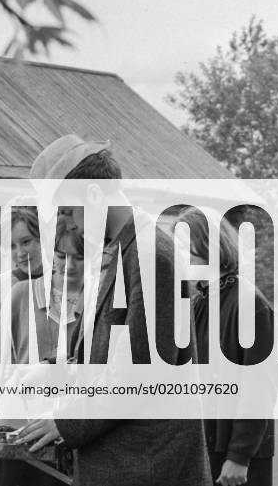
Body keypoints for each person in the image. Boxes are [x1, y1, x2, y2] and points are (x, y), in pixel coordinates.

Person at [17, 134, 212, 486]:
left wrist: (65, 423)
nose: (69, 224)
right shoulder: (124, 250)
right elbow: (110, 352)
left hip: (146, 467)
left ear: (94, 194)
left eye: (68, 210)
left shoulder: (150, 253)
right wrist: (58, 370)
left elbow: (138, 374)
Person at [175, 207, 275, 486]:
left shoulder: (249, 303)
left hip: (237, 460)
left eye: (184, 246)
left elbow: (258, 388)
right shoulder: (201, 301)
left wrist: (239, 456)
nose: (178, 256)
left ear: (209, 245)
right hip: (208, 447)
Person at [0, 215, 80, 486]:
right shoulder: (19, 294)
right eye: (62, 255)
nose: (70, 264)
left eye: (80, 256)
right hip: (21, 437)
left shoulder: (98, 301)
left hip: (72, 438)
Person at [0, 208, 44, 362]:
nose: (20, 253)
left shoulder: (64, 282)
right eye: (11, 246)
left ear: (42, 238)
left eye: (26, 242)